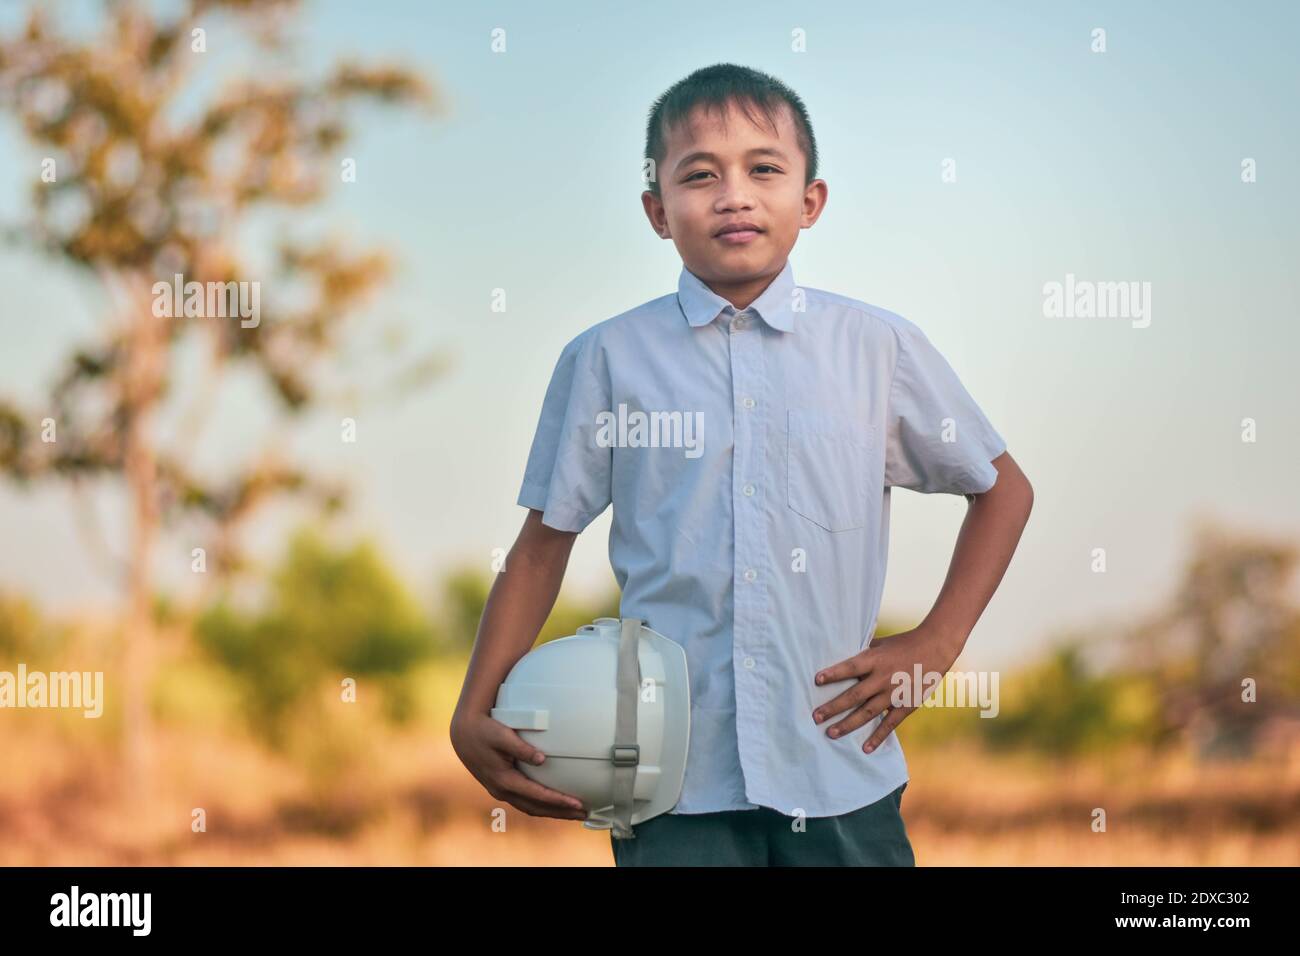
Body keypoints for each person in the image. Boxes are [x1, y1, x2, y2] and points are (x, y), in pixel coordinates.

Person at [451, 63, 1034, 866]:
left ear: (810, 200)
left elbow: (1002, 490)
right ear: (658, 212)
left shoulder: (876, 348)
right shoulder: (607, 359)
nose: (734, 194)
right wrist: (472, 709)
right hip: (667, 783)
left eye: (764, 169)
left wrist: (938, 641)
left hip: (838, 768)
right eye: (699, 175)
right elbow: (540, 548)